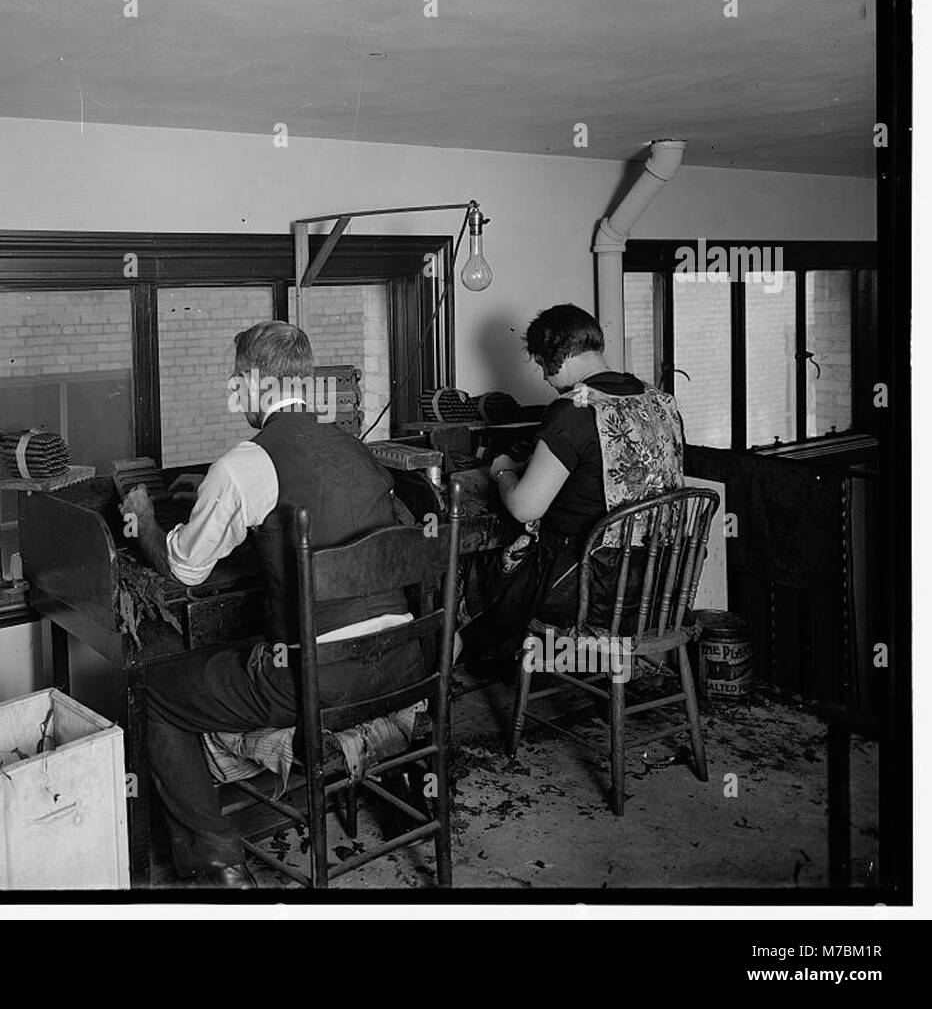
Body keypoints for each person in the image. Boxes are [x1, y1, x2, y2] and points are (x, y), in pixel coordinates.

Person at [121, 320, 419, 888]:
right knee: (238, 654)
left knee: (152, 689)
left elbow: (186, 568)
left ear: (254, 382)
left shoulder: (244, 465)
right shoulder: (357, 450)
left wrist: (144, 516)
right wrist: (212, 496)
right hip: (403, 664)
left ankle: (218, 864)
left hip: (319, 681)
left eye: (237, 379)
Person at [459, 303, 685, 668]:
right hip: (659, 585)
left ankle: (452, 673)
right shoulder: (660, 401)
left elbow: (524, 507)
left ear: (555, 358)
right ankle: (511, 659)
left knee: (480, 569)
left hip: (592, 592)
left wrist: (502, 471)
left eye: (539, 363)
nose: (544, 378)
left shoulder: (574, 409)